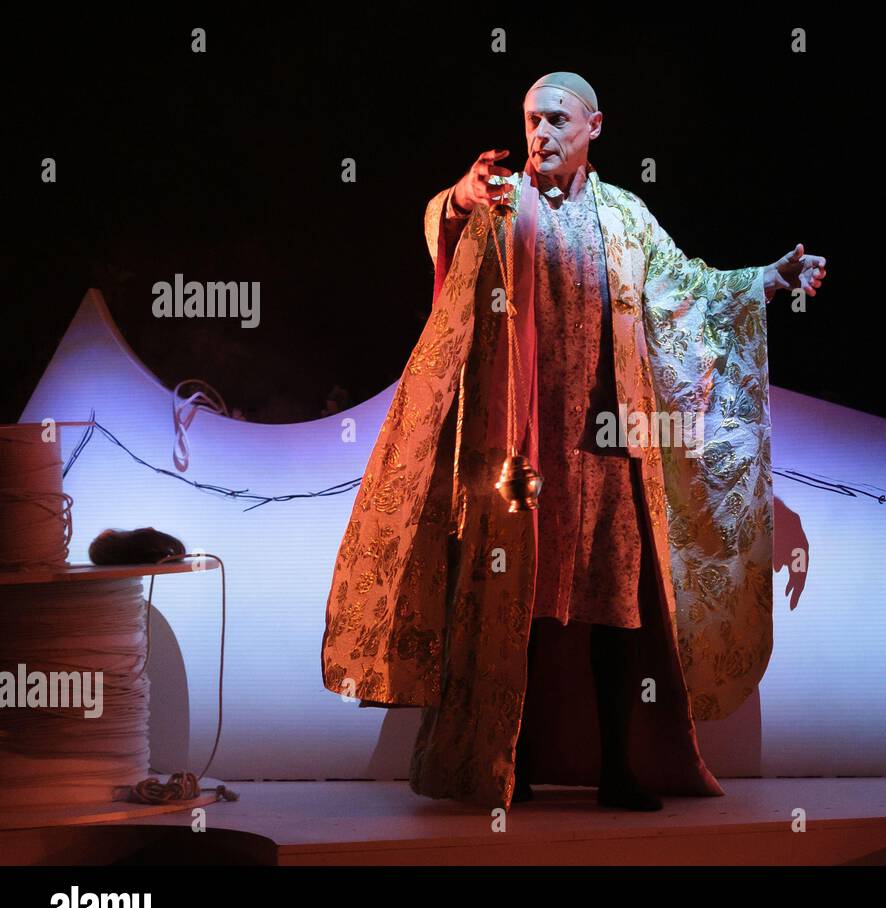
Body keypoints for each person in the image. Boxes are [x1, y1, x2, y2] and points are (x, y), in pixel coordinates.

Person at [320, 71, 826, 813]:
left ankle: (619, 769)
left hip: (606, 448)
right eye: (532, 119)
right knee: (513, 603)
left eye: (557, 120)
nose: (540, 134)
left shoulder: (625, 216)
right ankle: (507, 762)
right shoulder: (501, 203)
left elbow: (689, 288)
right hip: (517, 452)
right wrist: (460, 197)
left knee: (614, 609)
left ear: (595, 127)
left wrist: (766, 281)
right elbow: (442, 222)